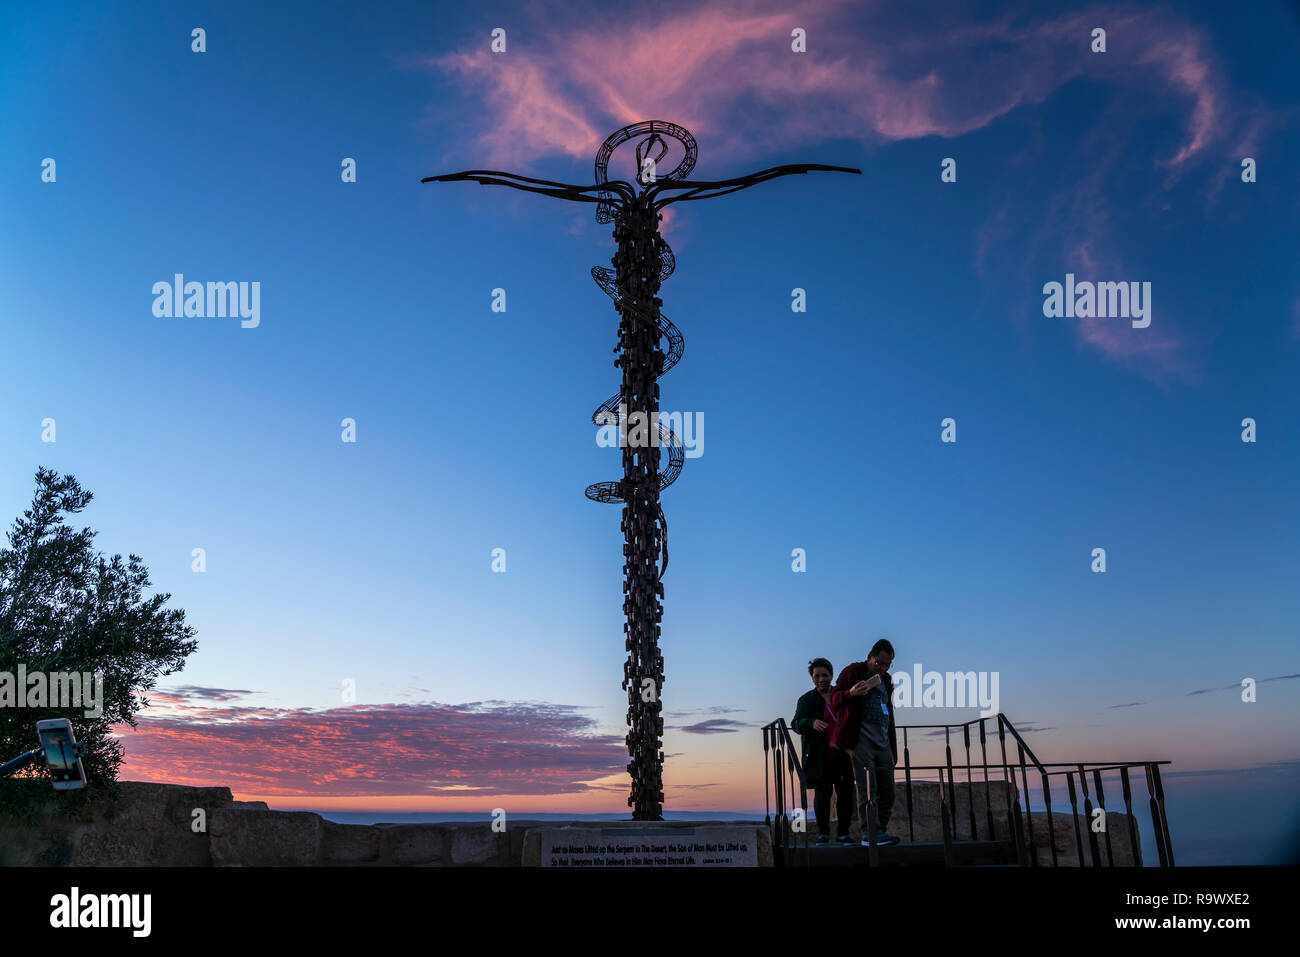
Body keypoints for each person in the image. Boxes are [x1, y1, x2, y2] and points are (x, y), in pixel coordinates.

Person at [828, 639, 901, 846]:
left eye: (888, 664)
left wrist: (892, 744)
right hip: (860, 739)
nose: (883, 668)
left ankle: (880, 832)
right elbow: (834, 699)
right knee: (867, 788)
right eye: (880, 663)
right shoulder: (853, 671)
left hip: (883, 740)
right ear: (870, 656)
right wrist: (851, 693)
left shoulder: (886, 679)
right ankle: (870, 833)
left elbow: (889, 709)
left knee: (888, 790)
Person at [791, 658, 855, 845]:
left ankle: (843, 833)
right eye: (816, 676)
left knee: (845, 793)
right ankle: (823, 834)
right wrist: (810, 722)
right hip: (819, 755)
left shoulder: (841, 695)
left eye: (824, 675)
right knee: (822, 793)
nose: (821, 679)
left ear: (831, 675)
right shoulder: (807, 699)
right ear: (812, 678)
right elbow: (795, 724)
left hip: (842, 753)